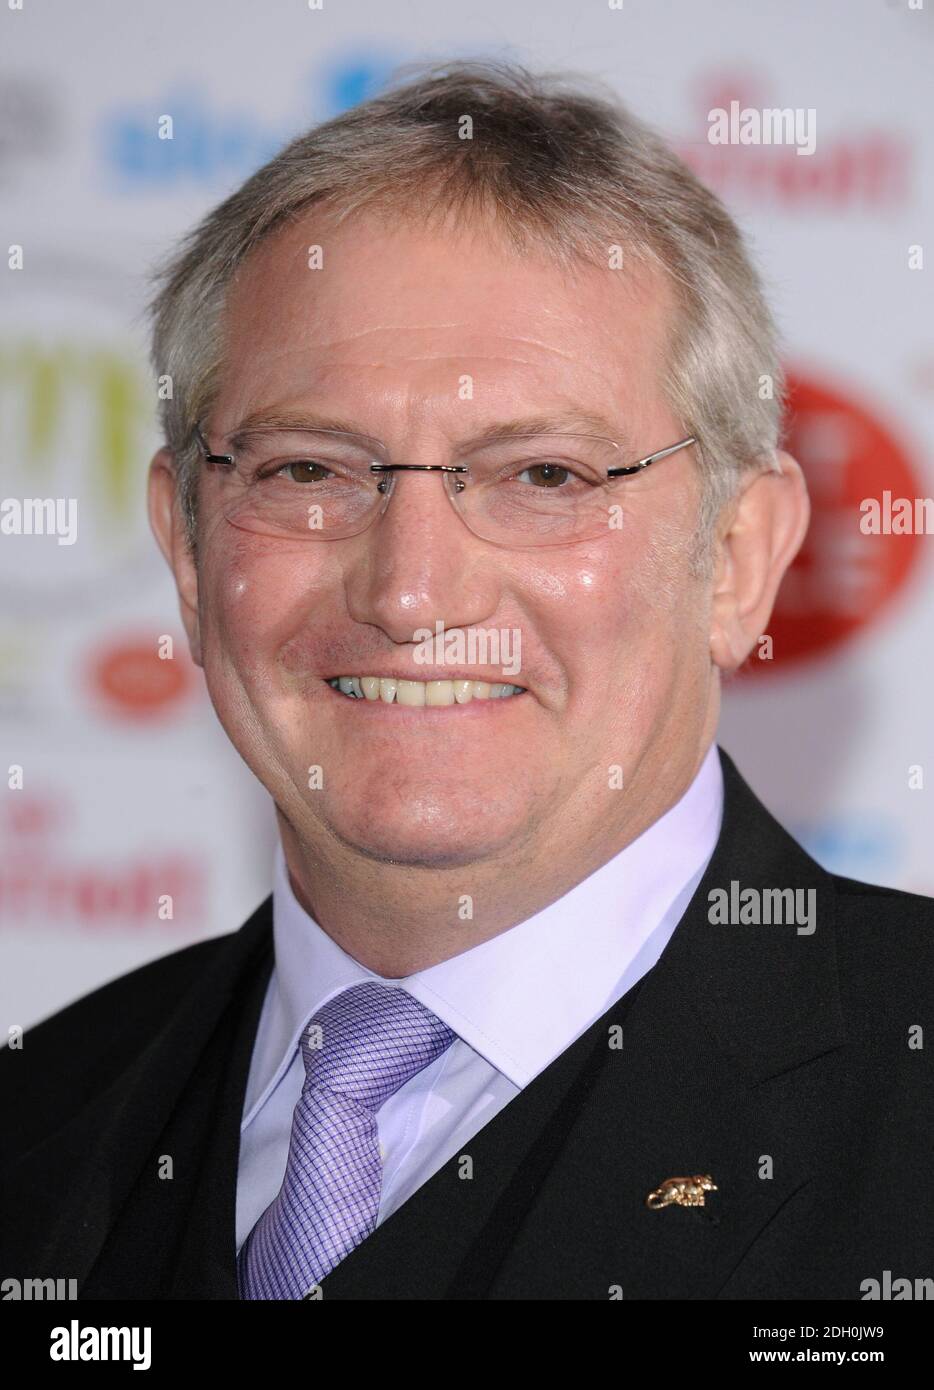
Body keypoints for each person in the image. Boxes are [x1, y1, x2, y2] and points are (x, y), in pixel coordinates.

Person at [2, 58, 932, 1302]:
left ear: (734, 557)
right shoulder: (41, 1114)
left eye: (542, 476)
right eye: (307, 472)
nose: (409, 592)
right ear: (186, 544)